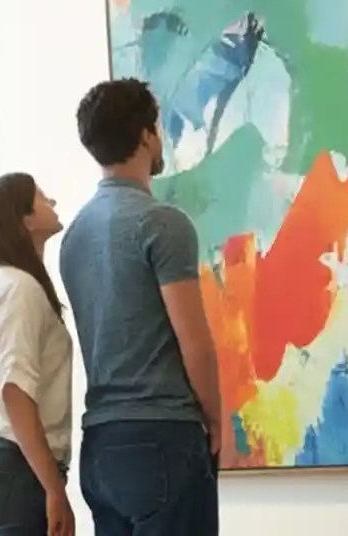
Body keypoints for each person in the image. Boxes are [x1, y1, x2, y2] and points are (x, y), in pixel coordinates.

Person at [59, 78, 221, 535]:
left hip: (101, 447)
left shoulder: (74, 236)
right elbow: (195, 343)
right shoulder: (162, 224)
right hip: (163, 435)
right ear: (147, 135)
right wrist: (214, 421)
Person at [0, 172, 76, 536]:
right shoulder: (21, 287)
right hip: (17, 472)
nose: (53, 203)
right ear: (24, 219)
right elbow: (14, 390)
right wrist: (54, 489)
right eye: (43, 197)